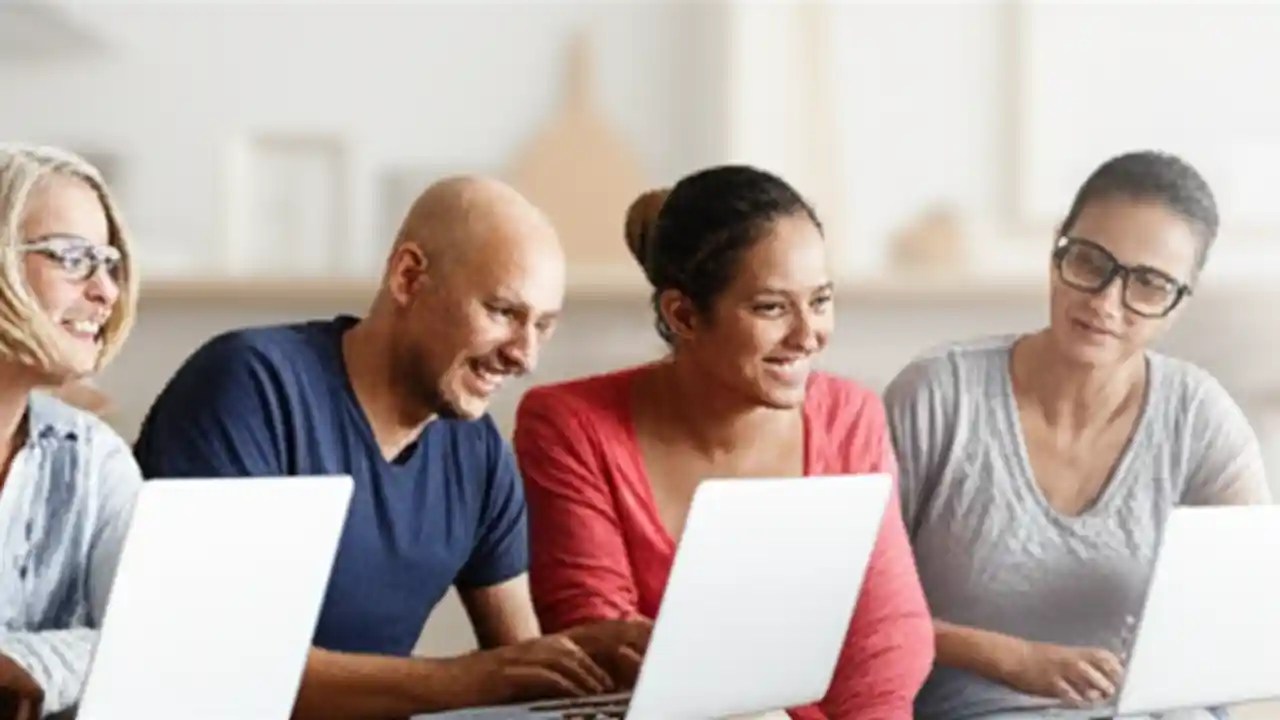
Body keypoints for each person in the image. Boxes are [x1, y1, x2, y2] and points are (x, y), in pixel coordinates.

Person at [131, 176, 650, 719]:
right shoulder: (250, 386)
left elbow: (522, 665)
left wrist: (590, 663)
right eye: (502, 311)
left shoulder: (478, 452)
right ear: (408, 277)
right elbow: (217, 666)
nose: (525, 356)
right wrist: (468, 680)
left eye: (543, 326)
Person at [512, 165, 936, 719]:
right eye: (771, 307)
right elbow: (601, 648)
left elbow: (885, 641)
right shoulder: (570, 426)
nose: (807, 335)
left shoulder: (850, 418)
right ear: (684, 315)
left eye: (820, 300)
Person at [884, 150, 1272, 719]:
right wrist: (1007, 658)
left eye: (1149, 284)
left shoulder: (1200, 418)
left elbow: (1253, 603)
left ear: (1179, 303)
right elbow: (856, 605)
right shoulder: (938, 397)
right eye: (1090, 262)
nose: (1105, 303)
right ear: (1056, 251)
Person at [0, 144, 143, 718]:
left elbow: (151, 640)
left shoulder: (94, 459)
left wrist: (20, 667)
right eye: (73, 258)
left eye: (109, 263)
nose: (106, 291)